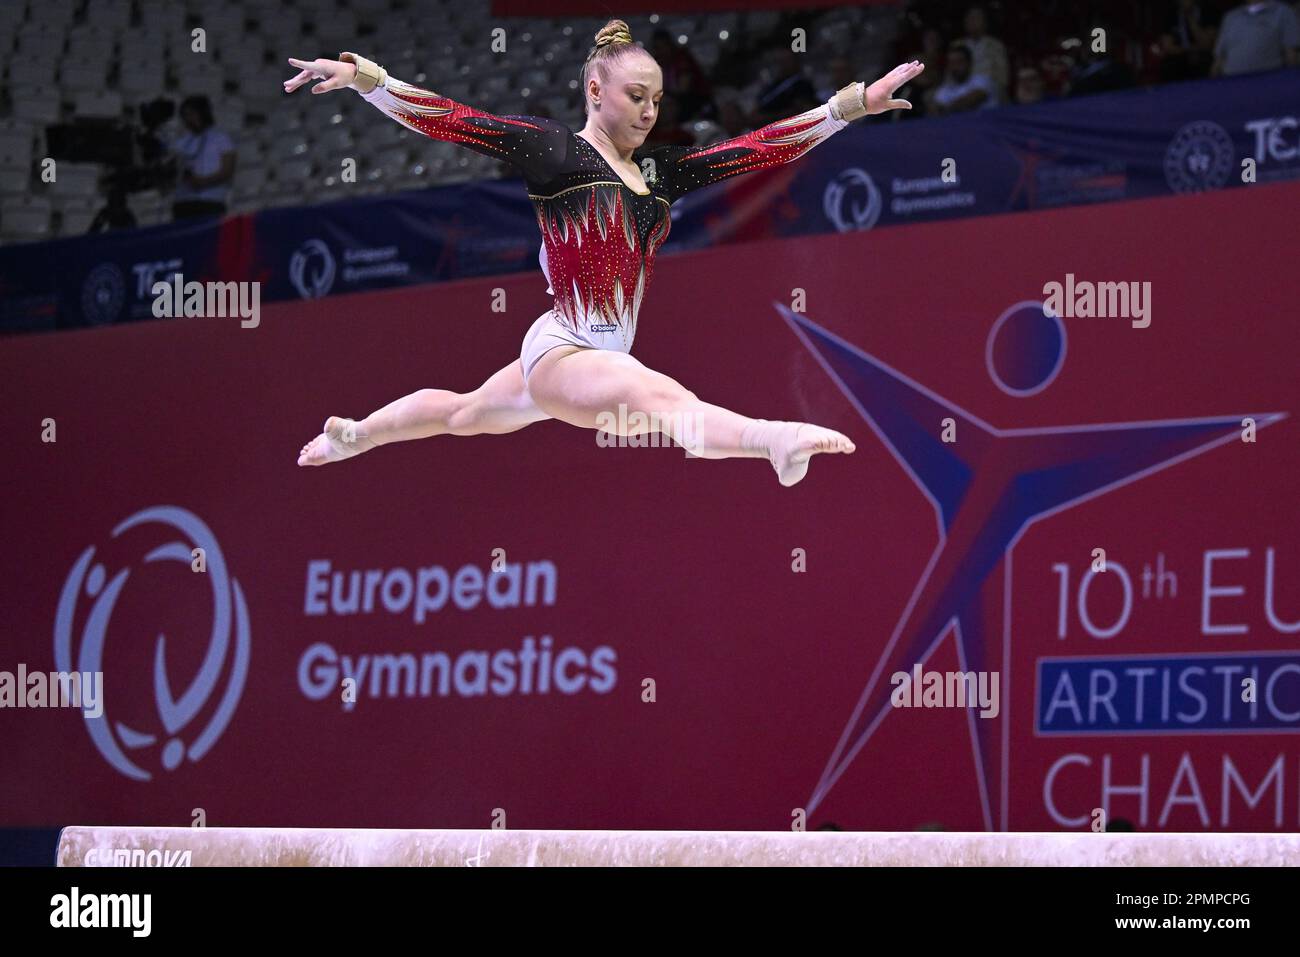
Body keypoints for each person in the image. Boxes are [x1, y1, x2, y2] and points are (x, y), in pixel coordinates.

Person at [288, 20, 925, 486]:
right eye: (634, 97)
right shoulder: (555, 151)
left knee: (465, 414)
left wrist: (848, 108)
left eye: (656, 100)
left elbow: (756, 149)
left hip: (578, 350)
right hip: (569, 350)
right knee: (664, 400)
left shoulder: (659, 170)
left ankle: (356, 435)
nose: (649, 111)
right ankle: (773, 441)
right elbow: (456, 119)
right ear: (596, 89)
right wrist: (368, 80)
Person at [167, 95, 236, 220]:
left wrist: (202, 182)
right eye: (186, 115)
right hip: (183, 202)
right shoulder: (181, 142)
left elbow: (227, 170)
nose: (189, 119)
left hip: (211, 202)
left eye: (192, 114)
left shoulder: (221, 138)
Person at [1212, 0, 1300, 75]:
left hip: (1267, 82)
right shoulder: (1231, 17)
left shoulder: (1282, 12)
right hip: (1230, 83)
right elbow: (1219, 59)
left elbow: (1291, 56)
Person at [927, 44, 996, 115]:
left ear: (969, 63)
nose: (955, 67)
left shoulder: (982, 80)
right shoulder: (945, 89)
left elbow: (972, 100)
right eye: (952, 63)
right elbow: (934, 110)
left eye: (959, 62)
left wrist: (945, 109)